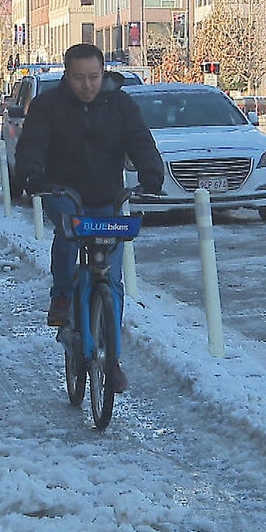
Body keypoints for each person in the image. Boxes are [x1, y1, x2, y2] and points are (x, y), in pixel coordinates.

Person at [15, 43, 164, 391]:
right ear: (67, 76)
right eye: (79, 78)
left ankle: (111, 359)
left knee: (111, 277)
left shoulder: (121, 105)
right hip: (63, 192)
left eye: (93, 77)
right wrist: (33, 176)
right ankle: (63, 295)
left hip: (107, 197)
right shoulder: (48, 106)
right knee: (68, 236)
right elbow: (32, 145)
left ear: (103, 74)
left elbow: (141, 142)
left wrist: (151, 176)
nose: (87, 86)